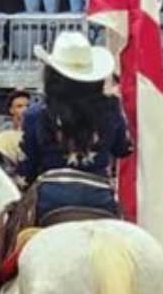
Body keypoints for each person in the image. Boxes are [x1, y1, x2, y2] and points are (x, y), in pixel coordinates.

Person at [16, 29, 131, 222]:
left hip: (49, 199)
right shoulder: (111, 108)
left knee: (14, 238)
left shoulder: (35, 115)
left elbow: (25, 170)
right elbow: (124, 148)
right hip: (100, 198)